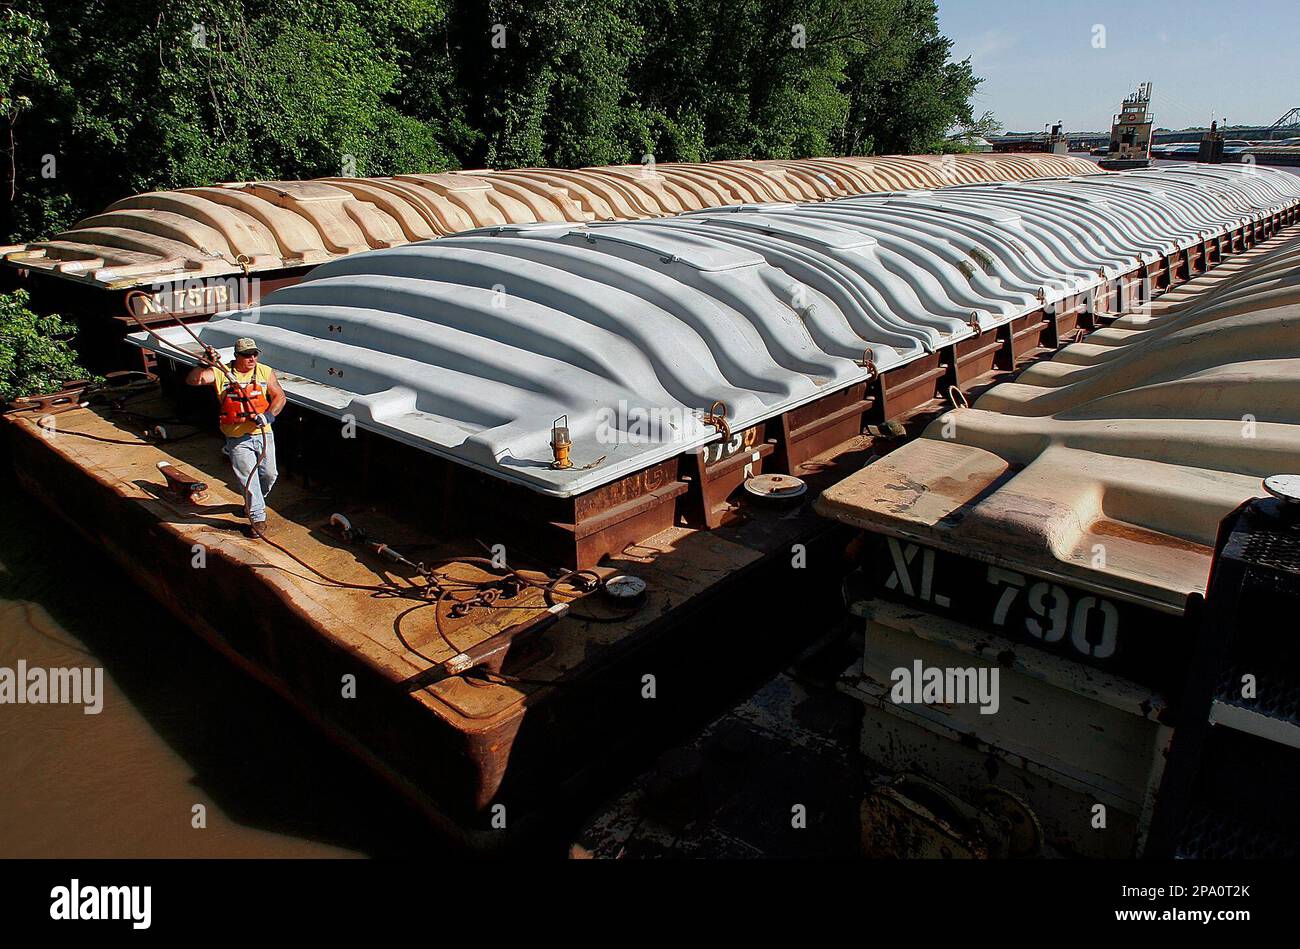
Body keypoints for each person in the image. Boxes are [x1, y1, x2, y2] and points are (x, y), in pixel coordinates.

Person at [185, 337, 287, 538]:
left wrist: (268, 416)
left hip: (262, 433)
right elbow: (193, 380)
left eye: (254, 354)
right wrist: (204, 362)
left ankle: (253, 502)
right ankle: (257, 516)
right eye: (246, 355)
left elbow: (280, 397)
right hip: (237, 438)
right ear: (236, 356)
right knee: (248, 478)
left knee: (269, 474)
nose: (251, 358)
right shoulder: (221, 372)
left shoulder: (265, 372)